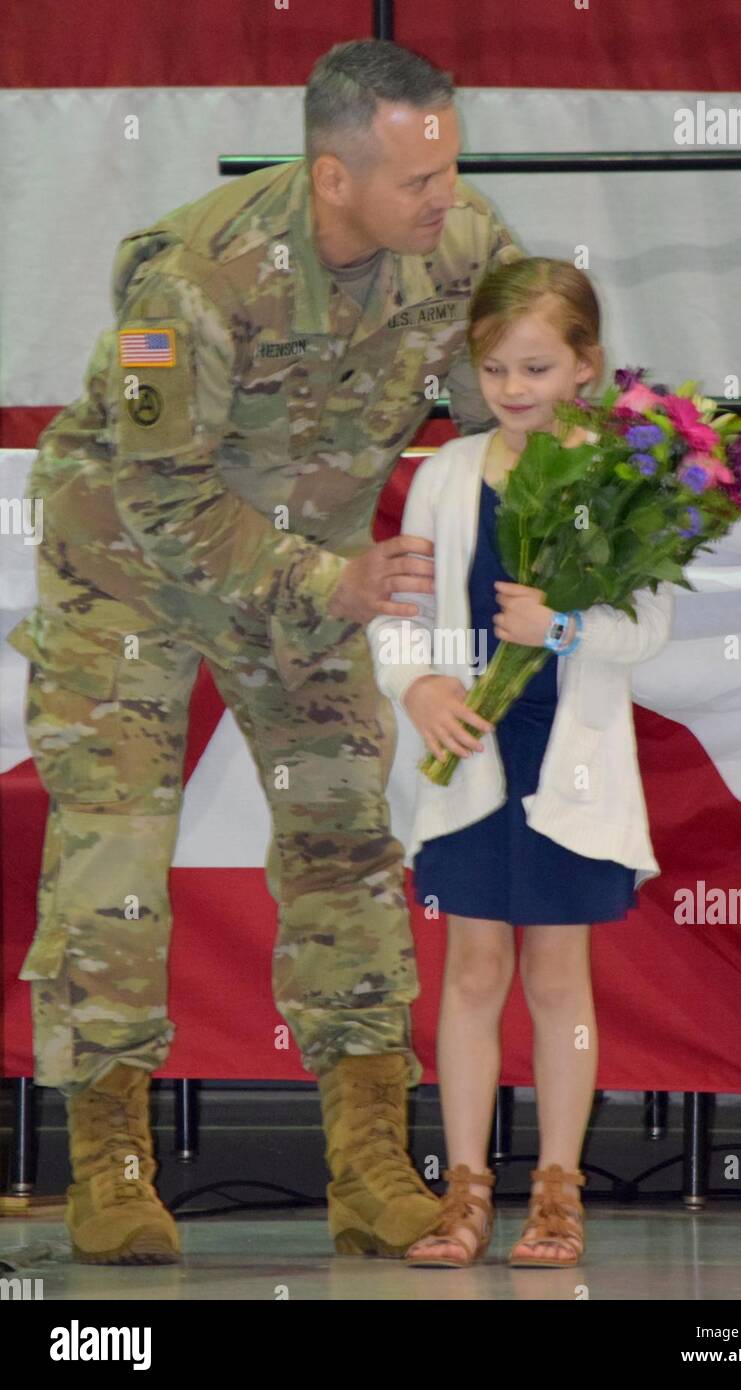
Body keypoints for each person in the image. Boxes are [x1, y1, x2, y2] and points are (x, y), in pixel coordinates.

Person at [6, 38, 527, 1264]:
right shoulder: (192, 278)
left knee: (345, 833)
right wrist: (331, 581)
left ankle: (368, 1162)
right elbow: (163, 494)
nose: (445, 196)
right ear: (333, 178)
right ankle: (110, 1162)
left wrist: (584, 493)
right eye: (417, 179)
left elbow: (506, 415)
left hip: (310, 571)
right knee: (116, 849)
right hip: (130, 567)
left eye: (449, 166)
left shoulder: (463, 248)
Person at [366, 257, 675, 1267]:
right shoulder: (445, 474)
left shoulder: (618, 473)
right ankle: (462, 1191)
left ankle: (555, 1191)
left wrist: (564, 627)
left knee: (555, 973)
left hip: (565, 760)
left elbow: (648, 628)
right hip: (469, 750)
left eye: (535, 368)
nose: (511, 388)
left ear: (585, 365)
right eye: (493, 368)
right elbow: (401, 613)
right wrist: (418, 686)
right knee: (470, 968)